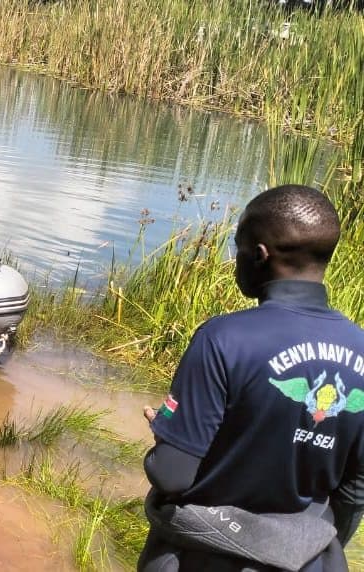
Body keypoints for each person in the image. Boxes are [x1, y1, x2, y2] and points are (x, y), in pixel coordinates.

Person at [138, 185, 364, 572]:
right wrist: (302, 546)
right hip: (307, 561)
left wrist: (165, 435)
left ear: (260, 255)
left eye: (239, 248)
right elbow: (354, 493)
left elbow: (172, 475)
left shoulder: (223, 339)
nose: (235, 260)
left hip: (206, 556)